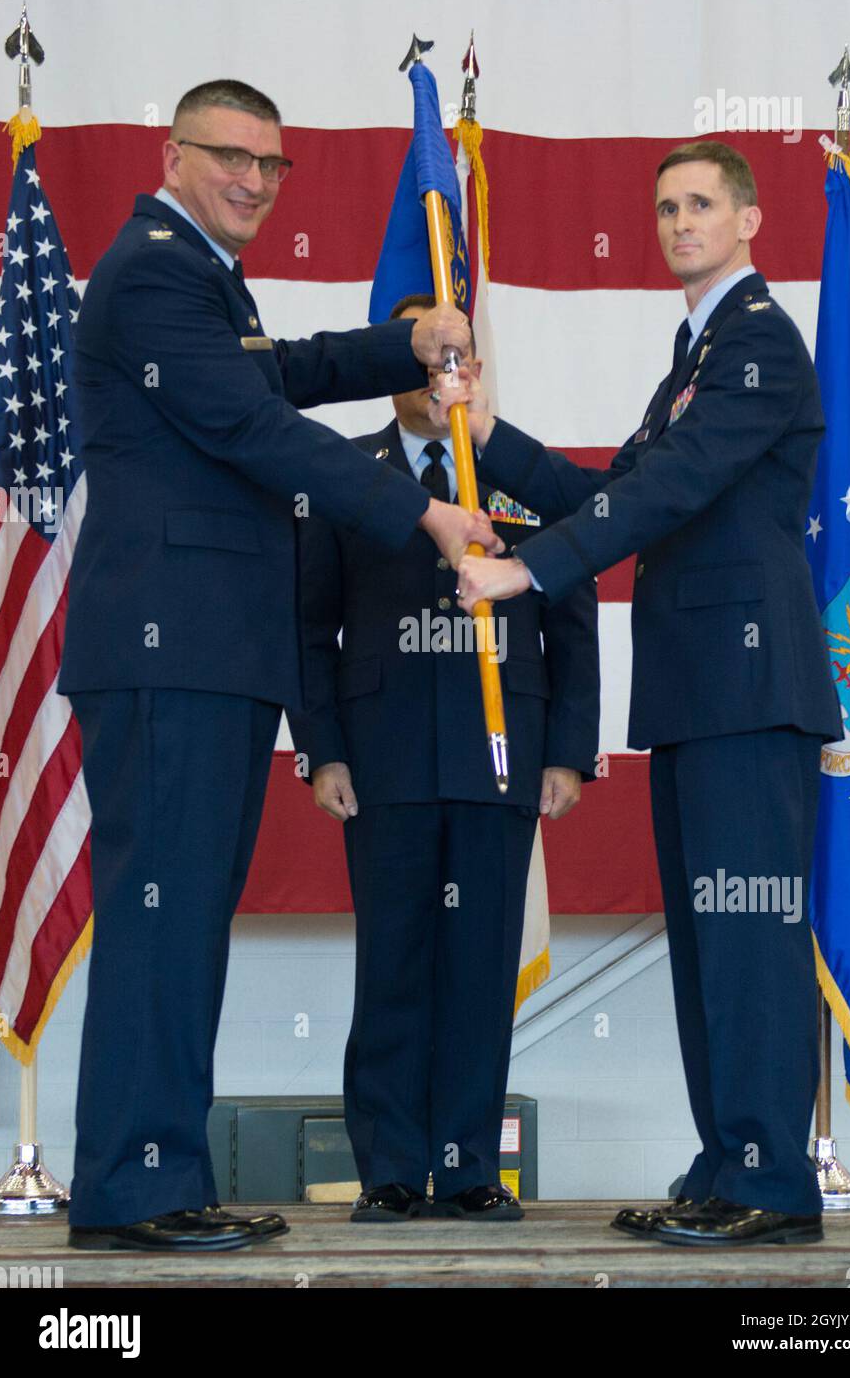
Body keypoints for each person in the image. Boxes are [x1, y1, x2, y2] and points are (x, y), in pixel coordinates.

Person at [59, 79, 500, 1253]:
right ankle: (137, 1187)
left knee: (185, 917)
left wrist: (398, 343)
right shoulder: (155, 268)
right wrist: (424, 518)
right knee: (164, 918)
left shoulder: (198, 272)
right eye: (230, 156)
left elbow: (279, 370)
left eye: (272, 162)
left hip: (203, 652)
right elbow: (255, 427)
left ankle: (155, 1176)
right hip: (171, 648)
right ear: (173, 151)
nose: (253, 180)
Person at [438, 141, 843, 1246]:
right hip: (698, 695)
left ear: (751, 219)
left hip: (750, 692)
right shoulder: (694, 359)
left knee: (749, 944)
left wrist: (527, 569)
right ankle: (730, 1167)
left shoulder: (757, 343)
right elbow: (610, 492)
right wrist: (486, 439)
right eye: (664, 206)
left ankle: (768, 1184)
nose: (677, 222)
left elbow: (665, 490)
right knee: (713, 946)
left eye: (701, 203)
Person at [289, 294, 600, 1222]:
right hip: (380, 761)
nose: (439, 377)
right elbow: (308, 629)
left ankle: (467, 1168)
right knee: (392, 964)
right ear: (399, 364)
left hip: (504, 755)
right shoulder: (345, 474)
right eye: (425, 357)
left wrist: (570, 753)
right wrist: (323, 753)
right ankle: (387, 1166)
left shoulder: (515, 468)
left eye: (455, 356)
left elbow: (572, 613)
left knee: (477, 967)